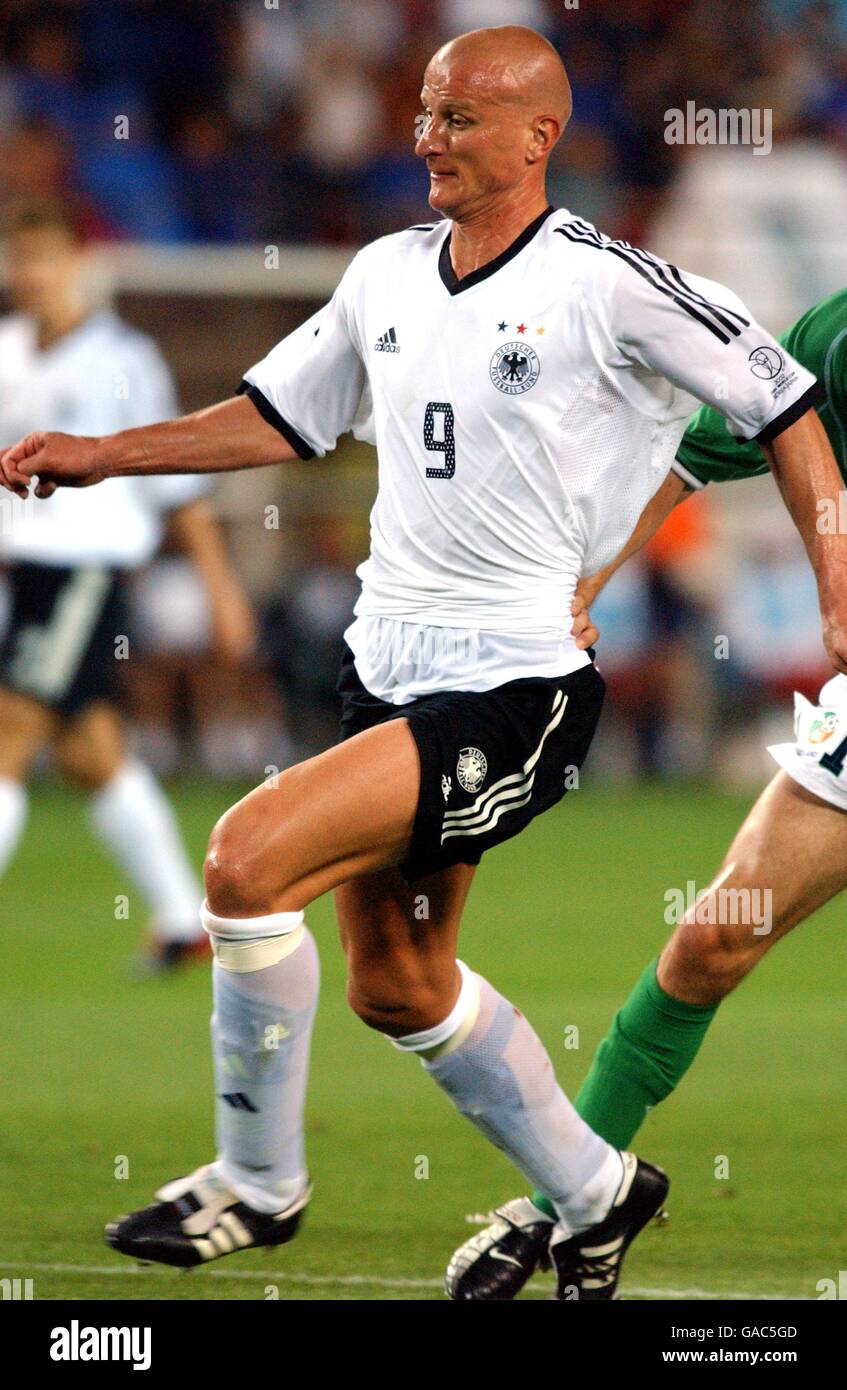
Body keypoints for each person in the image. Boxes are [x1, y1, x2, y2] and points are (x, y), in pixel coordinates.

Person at [1, 28, 844, 1301]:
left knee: (244, 857)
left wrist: (836, 592)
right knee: (395, 985)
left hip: (518, 691)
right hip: (385, 668)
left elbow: (783, 404)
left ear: (536, 137)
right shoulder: (384, 276)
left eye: (457, 117)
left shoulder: (610, 285)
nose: (428, 137)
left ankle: (256, 1182)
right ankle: (599, 1192)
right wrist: (104, 452)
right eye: (425, 113)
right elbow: (277, 418)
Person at [446, 286, 847, 1299]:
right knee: (712, 936)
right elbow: (696, 450)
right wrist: (576, 589)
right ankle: (568, 1202)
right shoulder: (835, 336)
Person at [0, 199, 256, 971]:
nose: (33, 275)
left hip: (83, 568)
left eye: (47, 256)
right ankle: (185, 920)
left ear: (81, 263)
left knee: (9, 730)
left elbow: (177, 484)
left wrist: (220, 588)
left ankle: (186, 918)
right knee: (89, 749)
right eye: (21, 258)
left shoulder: (125, 359)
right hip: (21, 572)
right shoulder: (6, 349)